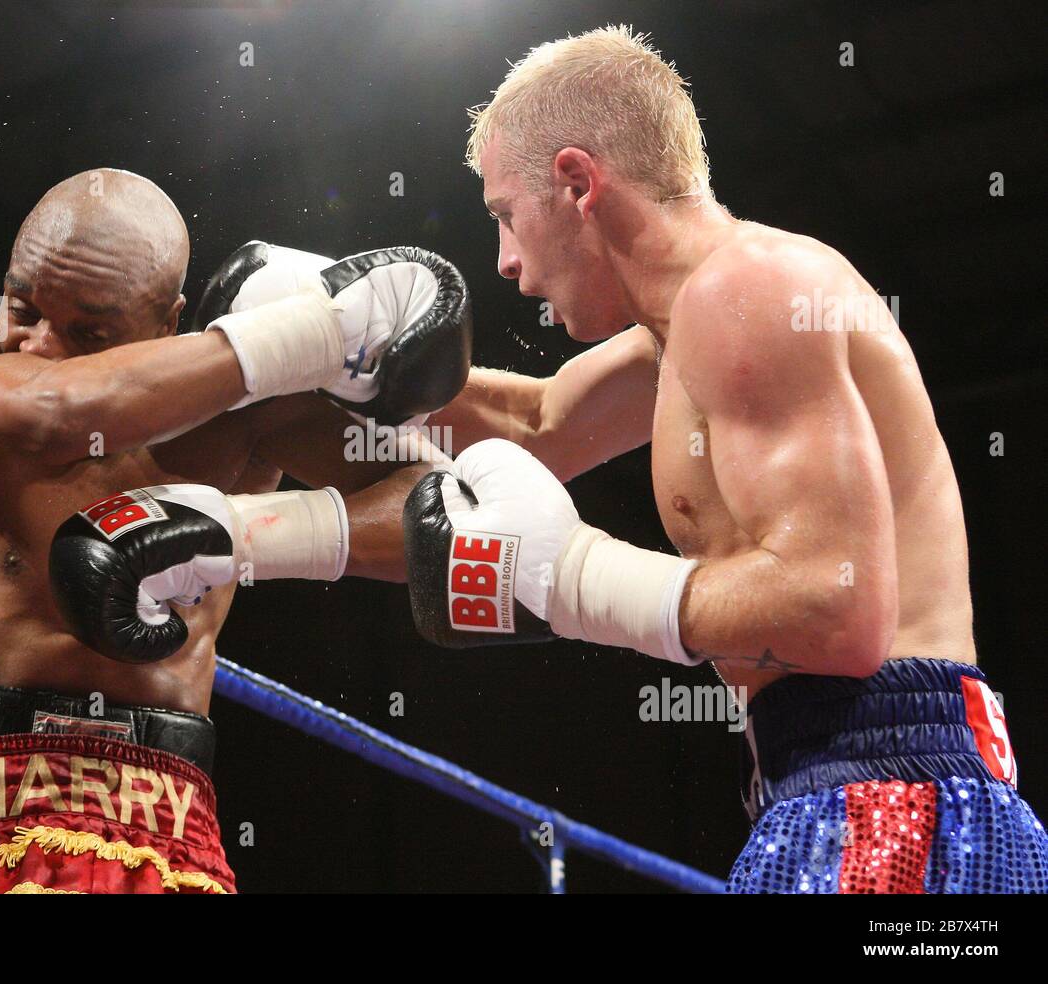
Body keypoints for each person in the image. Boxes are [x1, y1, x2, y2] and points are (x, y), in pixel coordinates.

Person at [400, 26, 1047, 893]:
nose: (508, 262)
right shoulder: (685, 328)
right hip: (841, 789)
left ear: (577, 183)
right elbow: (534, 423)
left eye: (505, 215)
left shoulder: (749, 289)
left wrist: (577, 580)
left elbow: (838, 610)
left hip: (890, 795)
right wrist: (314, 354)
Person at [0, 168, 467, 894]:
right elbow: (50, 414)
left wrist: (245, 533)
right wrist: (314, 333)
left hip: (165, 822)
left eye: (89, 331)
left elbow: (447, 510)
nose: (39, 346)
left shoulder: (238, 416)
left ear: (167, 322)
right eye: (22, 309)